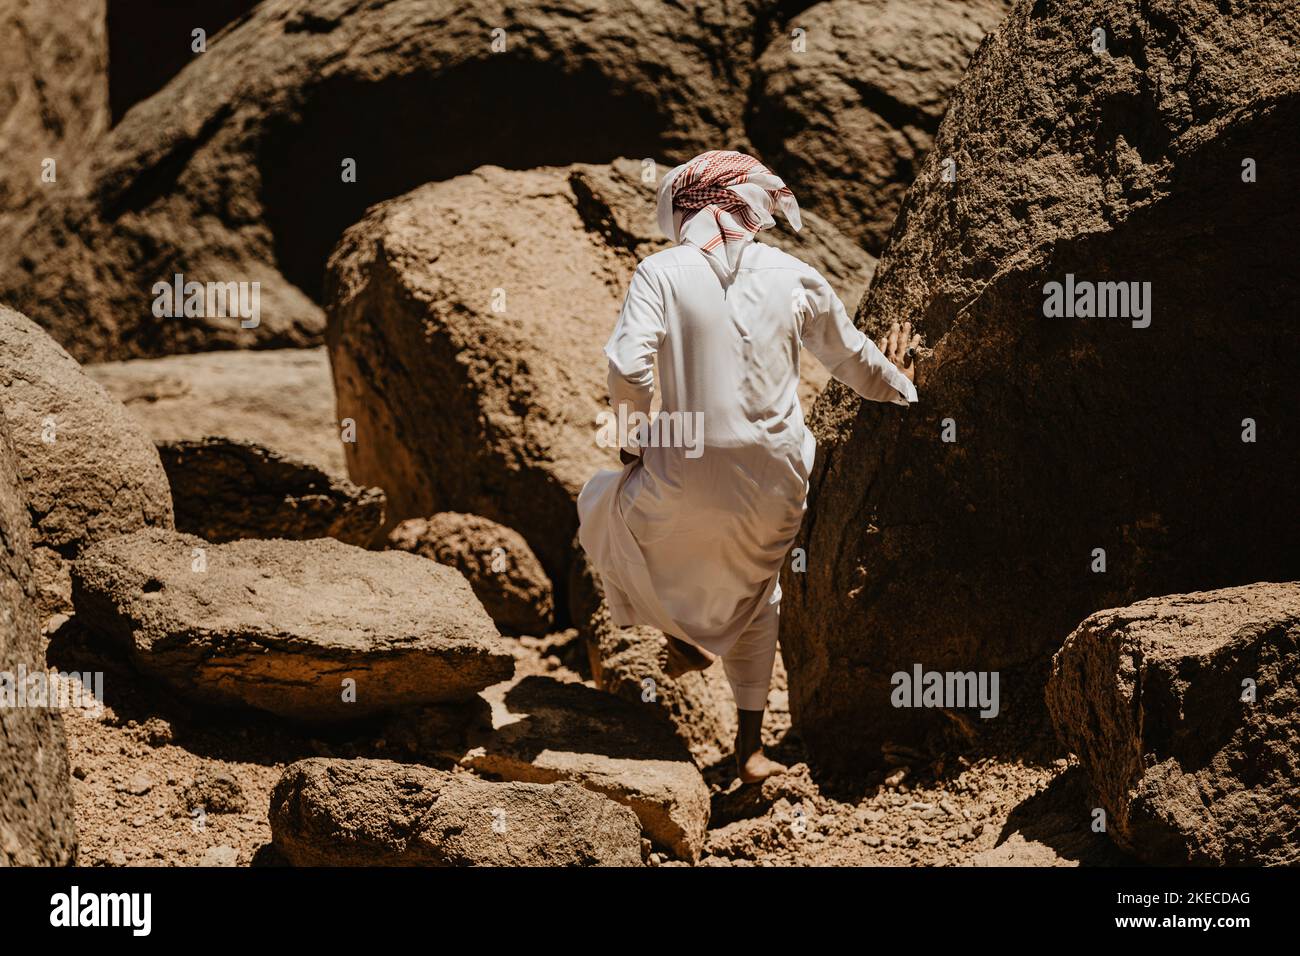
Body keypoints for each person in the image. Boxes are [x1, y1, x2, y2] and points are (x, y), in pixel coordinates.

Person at [577, 150, 920, 783]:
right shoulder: (795, 274)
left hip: (684, 464)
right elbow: (853, 363)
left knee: (602, 504)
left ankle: (682, 633)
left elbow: (628, 368)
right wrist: (907, 384)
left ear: (690, 210)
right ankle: (749, 749)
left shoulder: (661, 271)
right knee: (762, 596)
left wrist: (632, 440)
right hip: (780, 481)